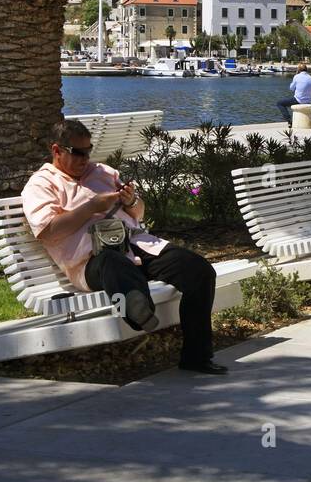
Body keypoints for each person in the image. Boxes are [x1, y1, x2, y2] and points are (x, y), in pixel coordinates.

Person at [22, 119, 225, 375]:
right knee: (113, 262)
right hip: (91, 260)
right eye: (78, 152)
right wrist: (91, 207)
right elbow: (49, 232)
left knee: (197, 270)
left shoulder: (104, 173)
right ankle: (139, 310)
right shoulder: (41, 184)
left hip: (138, 245)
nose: (85, 158)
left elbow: (138, 214)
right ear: (57, 150)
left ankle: (196, 357)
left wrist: (131, 201)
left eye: (88, 151)